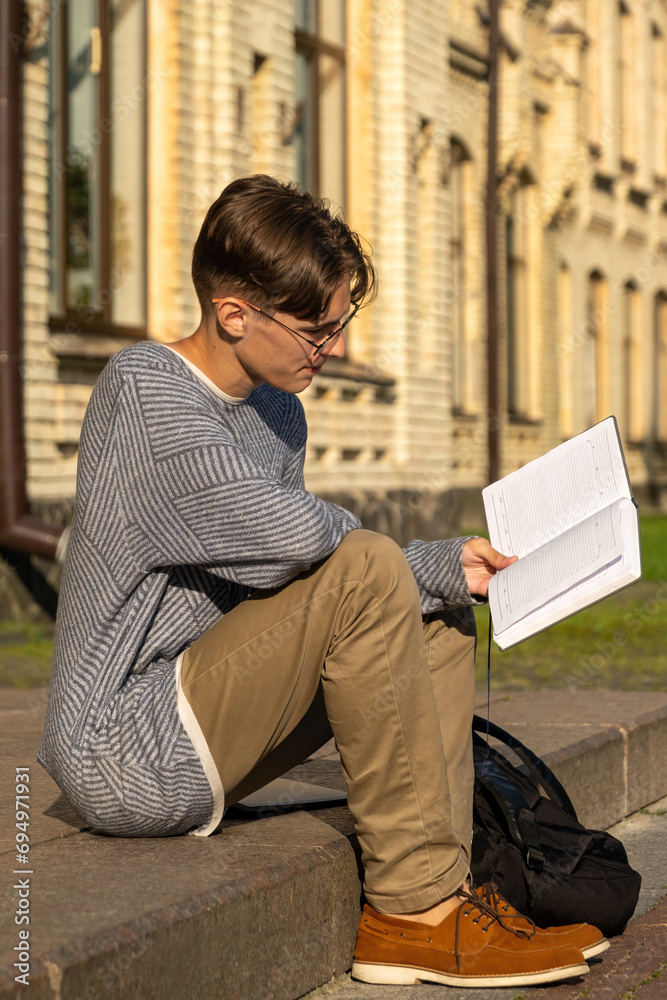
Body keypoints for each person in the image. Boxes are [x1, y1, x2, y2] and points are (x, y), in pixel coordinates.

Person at [39, 175, 606, 989]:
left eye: (339, 324)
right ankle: (415, 914)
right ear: (233, 313)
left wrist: (442, 569)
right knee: (377, 568)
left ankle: (436, 898)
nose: (331, 348)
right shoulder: (144, 392)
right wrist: (399, 560)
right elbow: (293, 539)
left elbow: (302, 574)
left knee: (439, 613)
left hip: (207, 715)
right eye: (315, 327)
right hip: (124, 749)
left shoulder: (276, 409)